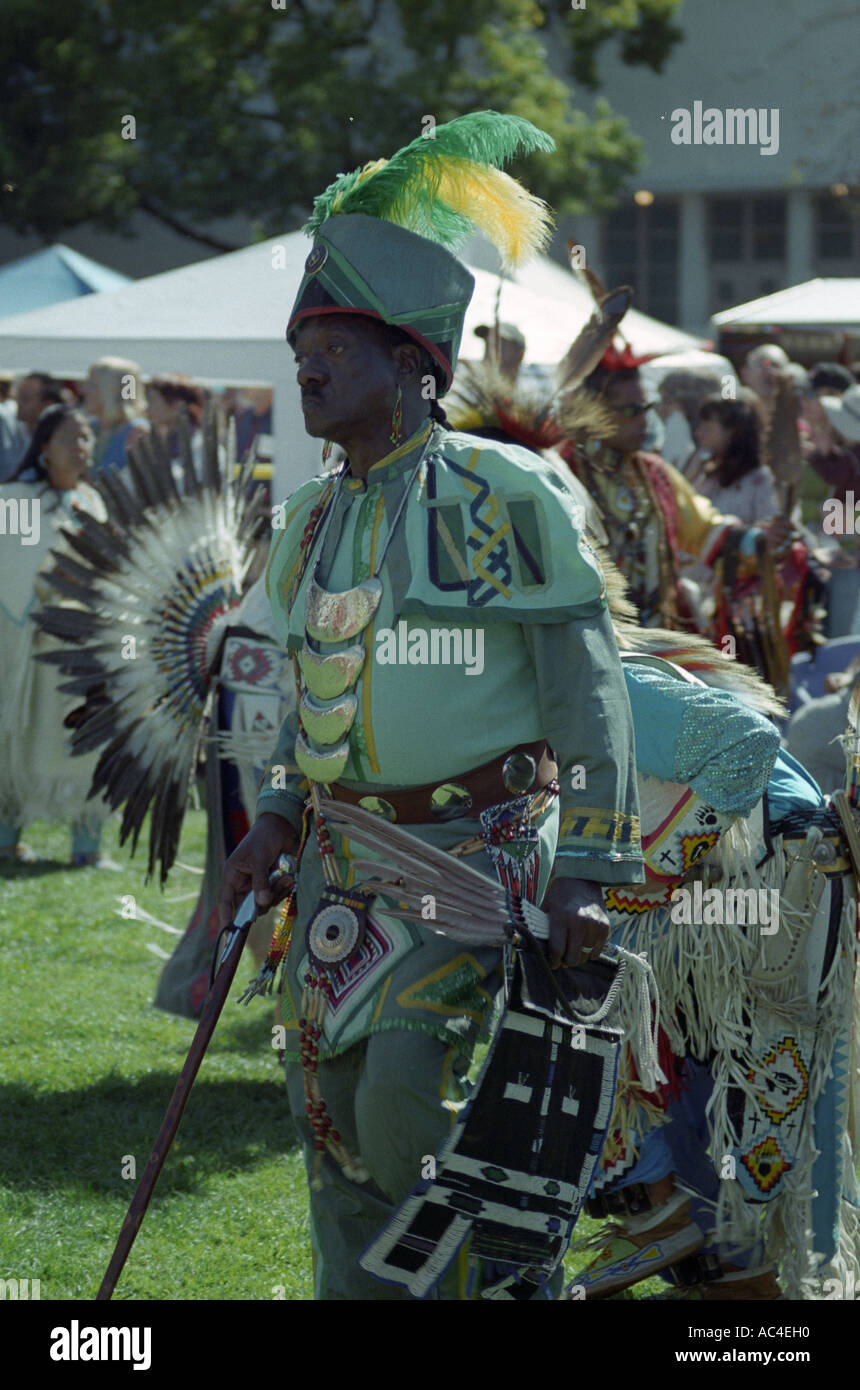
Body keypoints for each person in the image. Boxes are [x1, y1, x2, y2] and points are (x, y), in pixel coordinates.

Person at [217, 112, 645, 1301]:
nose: (305, 367)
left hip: (479, 861)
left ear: (411, 364)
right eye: (300, 347)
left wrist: (588, 872)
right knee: (333, 1120)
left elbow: (585, 685)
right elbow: (314, 703)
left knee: (412, 1107)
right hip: (338, 869)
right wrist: (274, 816)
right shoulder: (308, 520)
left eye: (332, 349)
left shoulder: (501, 494)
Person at [0, 406, 112, 864]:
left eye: (86, 437)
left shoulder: (93, 502)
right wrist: (39, 615)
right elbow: (11, 569)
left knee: (84, 739)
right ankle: (6, 837)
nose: (80, 447)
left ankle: (87, 846)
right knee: (17, 735)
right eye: (70, 437)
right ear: (43, 446)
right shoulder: (18, 499)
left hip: (81, 646)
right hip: (27, 641)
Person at [688, 391, 778, 524]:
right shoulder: (707, 476)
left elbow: (767, 527)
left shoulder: (759, 480)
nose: (699, 433)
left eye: (708, 427)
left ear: (732, 432)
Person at [84, 357, 149, 474]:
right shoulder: (91, 427)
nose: (85, 390)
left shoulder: (137, 432)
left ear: (112, 390)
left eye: (93, 385)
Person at [0, 372, 64, 481]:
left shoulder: (61, 439)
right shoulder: (11, 427)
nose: (18, 403)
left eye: (25, 398)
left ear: (48, 404)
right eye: (18, 397)